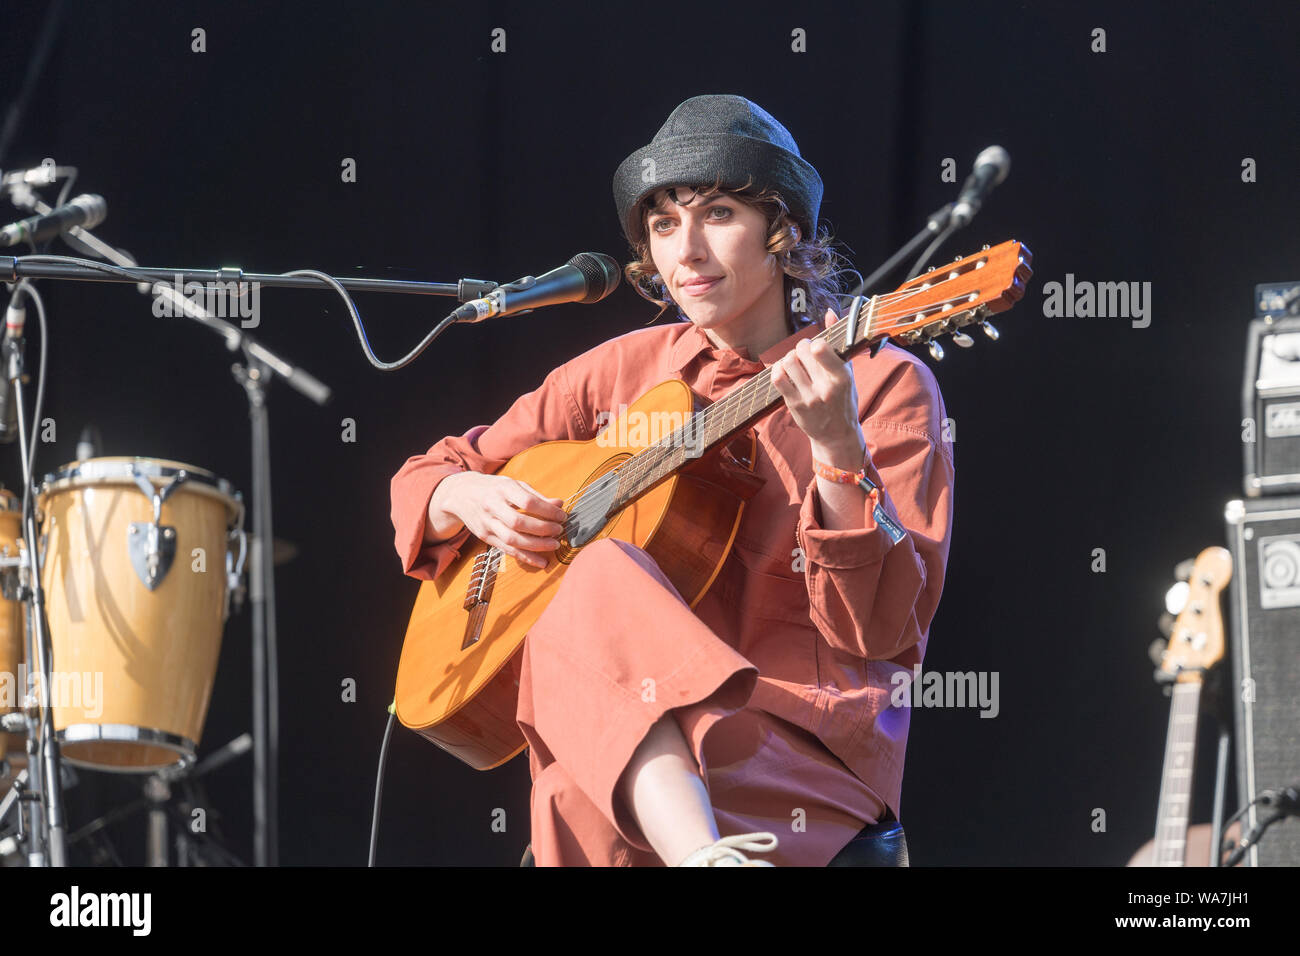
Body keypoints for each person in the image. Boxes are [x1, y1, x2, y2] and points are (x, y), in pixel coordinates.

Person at [389, 94, 954, 866]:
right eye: (662, 225)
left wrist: (837, 453)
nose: (685, 250)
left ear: (783, 231)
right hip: (616, 749)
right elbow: (433, 469)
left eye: (717, 213)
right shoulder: (616, 373)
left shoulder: (883, 382)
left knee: (590, 602)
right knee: (591, 607)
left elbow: (880, 632)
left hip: (789, 753)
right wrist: (462, 495)